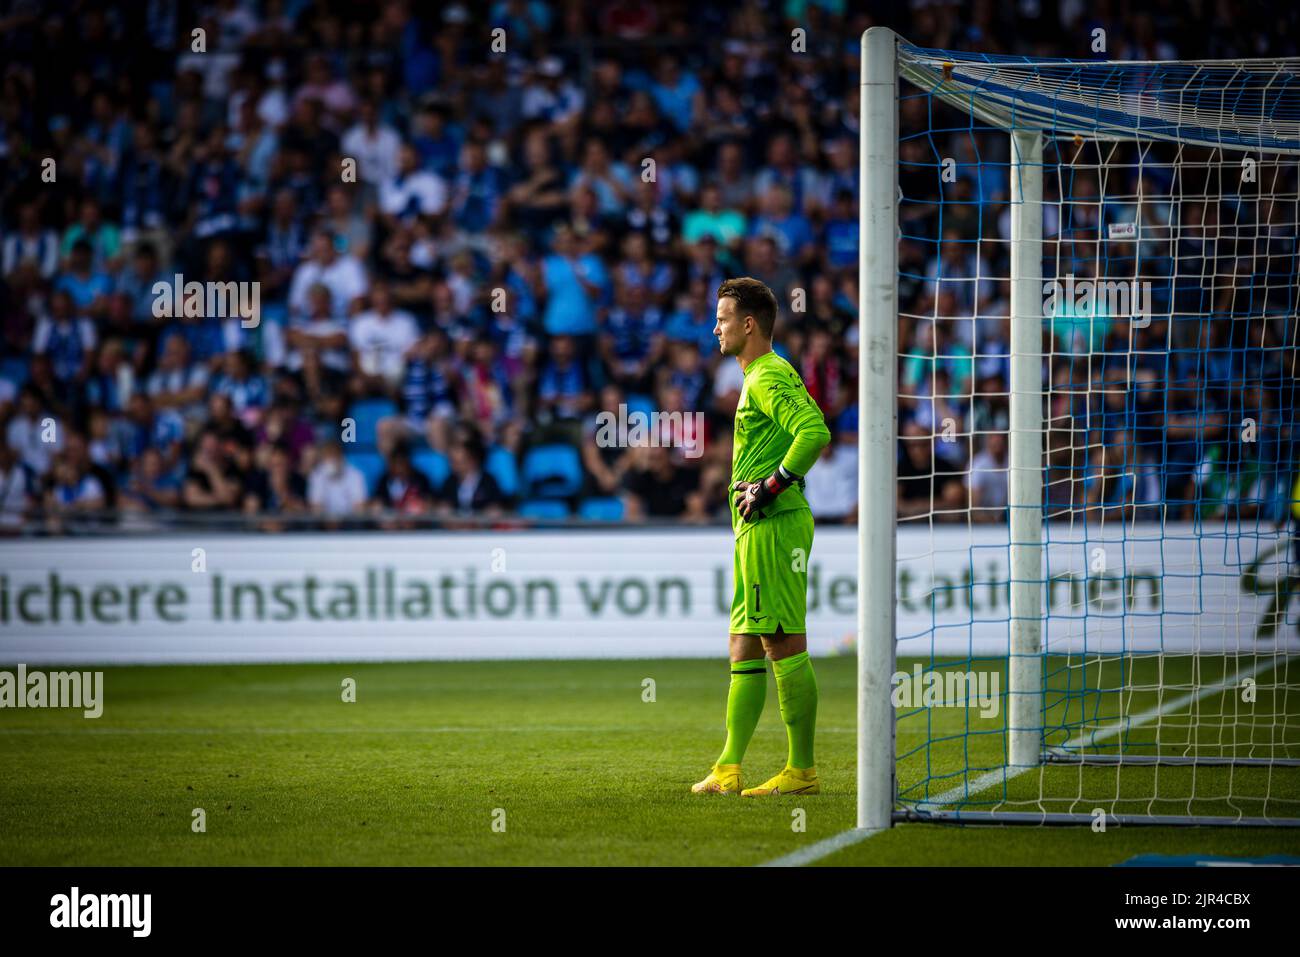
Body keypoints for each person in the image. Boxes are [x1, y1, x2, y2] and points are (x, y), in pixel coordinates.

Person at [692, 277, 830, 798]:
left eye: (723, 318)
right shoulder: (758, 375)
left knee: (781, 639)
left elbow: (814, 431)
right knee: (743, 642)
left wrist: (772, 485)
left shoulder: (769, 375)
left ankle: (802, 770)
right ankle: (728, 766)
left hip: (775, 525)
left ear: (748, 324)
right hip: (755, 528)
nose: (716, 327)